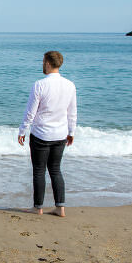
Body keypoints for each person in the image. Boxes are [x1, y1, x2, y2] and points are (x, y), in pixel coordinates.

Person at [18, 51, 77, 217]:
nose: (42, 64)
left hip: (41, 134)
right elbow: (72, 112)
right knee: (56, 170)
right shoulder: (70, 85)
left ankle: (38, 207)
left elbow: (30, 112)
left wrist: (23, 130)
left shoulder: (39, 85)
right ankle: (60, 208)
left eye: (43, 61)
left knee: (39, 171)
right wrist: (71, 132)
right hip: (60, 134)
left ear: (48, 63)